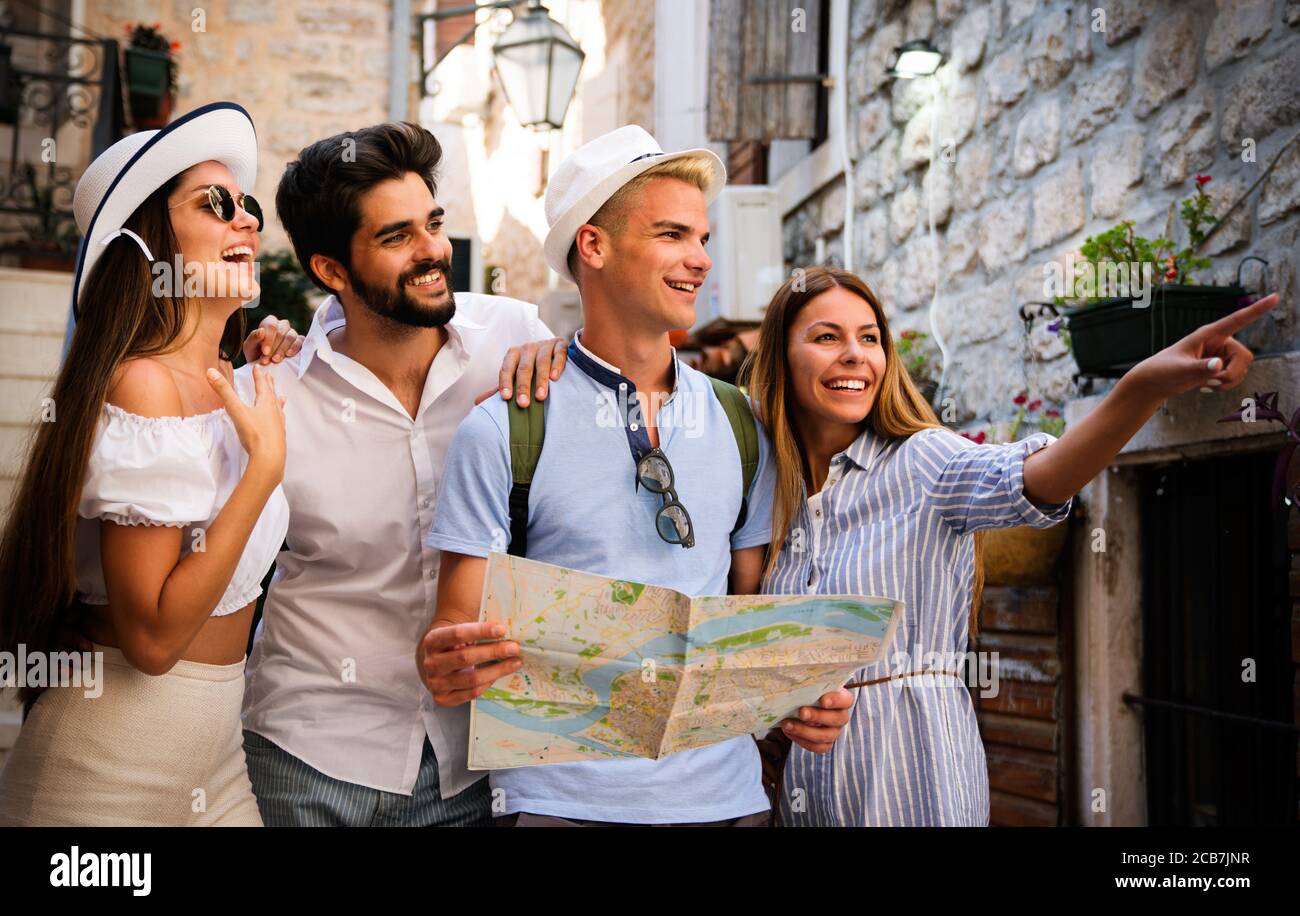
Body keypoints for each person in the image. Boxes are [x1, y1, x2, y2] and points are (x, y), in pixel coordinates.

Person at [418, 125, 854, 827]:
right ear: (593, 245)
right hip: (559, 806)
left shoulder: (743, 424)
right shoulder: (500, 428)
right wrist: (449, 662)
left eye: (703, 239)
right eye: (674, 235)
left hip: (729, 803)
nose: (700, 260)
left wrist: (796, 693)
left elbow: (746, 624)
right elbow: (452, 636)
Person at [742, 266, 1279, 826]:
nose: (856, 354)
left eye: (870, 337)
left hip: (911, 780)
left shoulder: (923, 461)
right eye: (827, 336)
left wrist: (1141, 385)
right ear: (782, 357)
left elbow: (1042, 477)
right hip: (805, 795)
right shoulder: (771, 496)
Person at [236, 121, 567, 826]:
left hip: (479, 760)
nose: (434, 252)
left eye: (434, 224)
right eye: (397, 238)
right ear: (331, 271)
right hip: (311, 759)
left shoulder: (518, 340)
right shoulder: (271, 393)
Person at [0, 102, 289, 826]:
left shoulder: (230, 380)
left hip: (219, 759)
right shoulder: (144, 384)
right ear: (150, 248)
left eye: (245, 206)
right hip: (105, 771)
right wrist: (260, 473)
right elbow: (154, 641)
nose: (246, 221)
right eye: (214, 205)